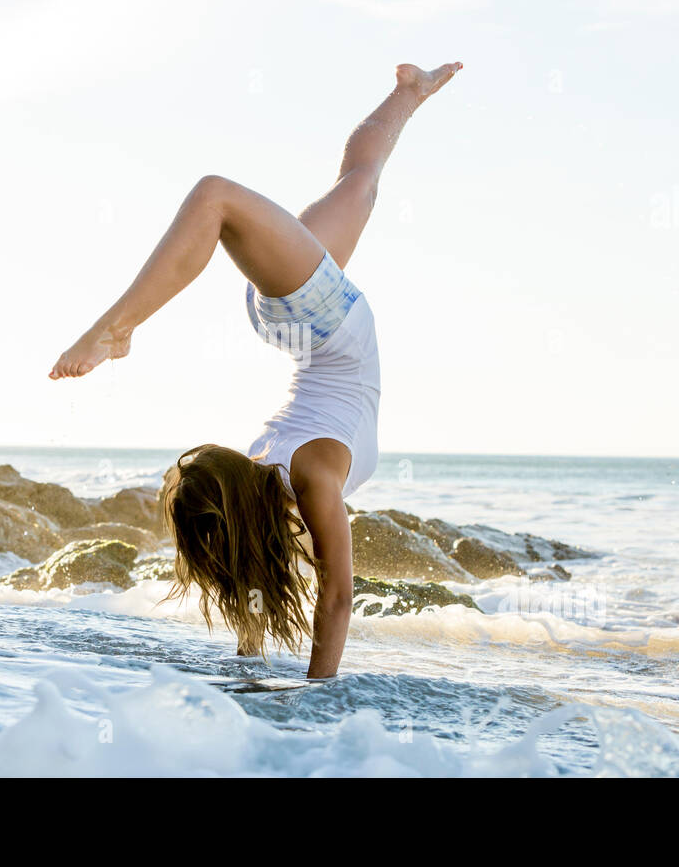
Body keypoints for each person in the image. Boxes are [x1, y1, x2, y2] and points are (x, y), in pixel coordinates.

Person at [50, 61, 462, 676]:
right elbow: (331, 596)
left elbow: (338, 600)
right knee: (360, 182)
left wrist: (319, 705)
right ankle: (408, 93)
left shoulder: (305, 476)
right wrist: (268, 681)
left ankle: (118, 326)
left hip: (318, 317)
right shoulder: (296, 481)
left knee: (216, 195)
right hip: (297, 323)